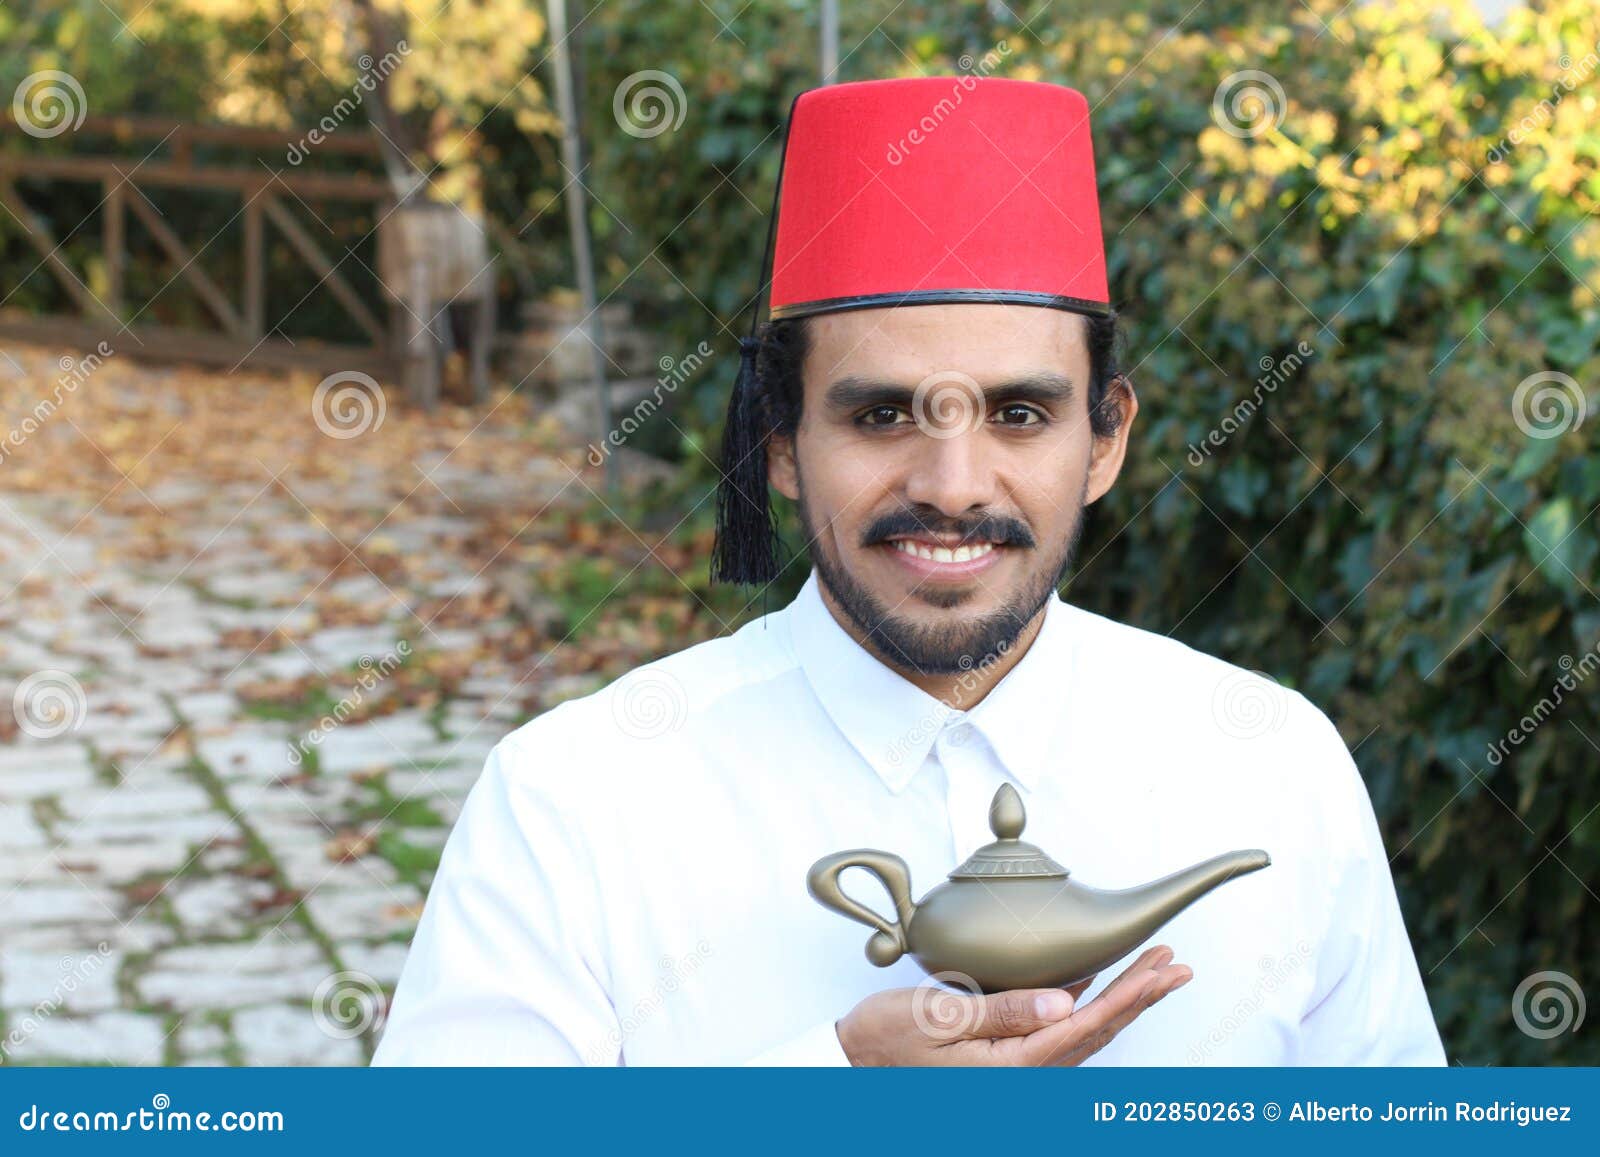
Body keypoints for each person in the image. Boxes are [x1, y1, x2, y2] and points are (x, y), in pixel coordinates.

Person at [373, 76, 1445, 1066]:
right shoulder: (579, 797)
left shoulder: (1267, 766)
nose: (951, 482)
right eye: (881, 414)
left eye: (1018, 413)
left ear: (1106, 439)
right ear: (782, 443)